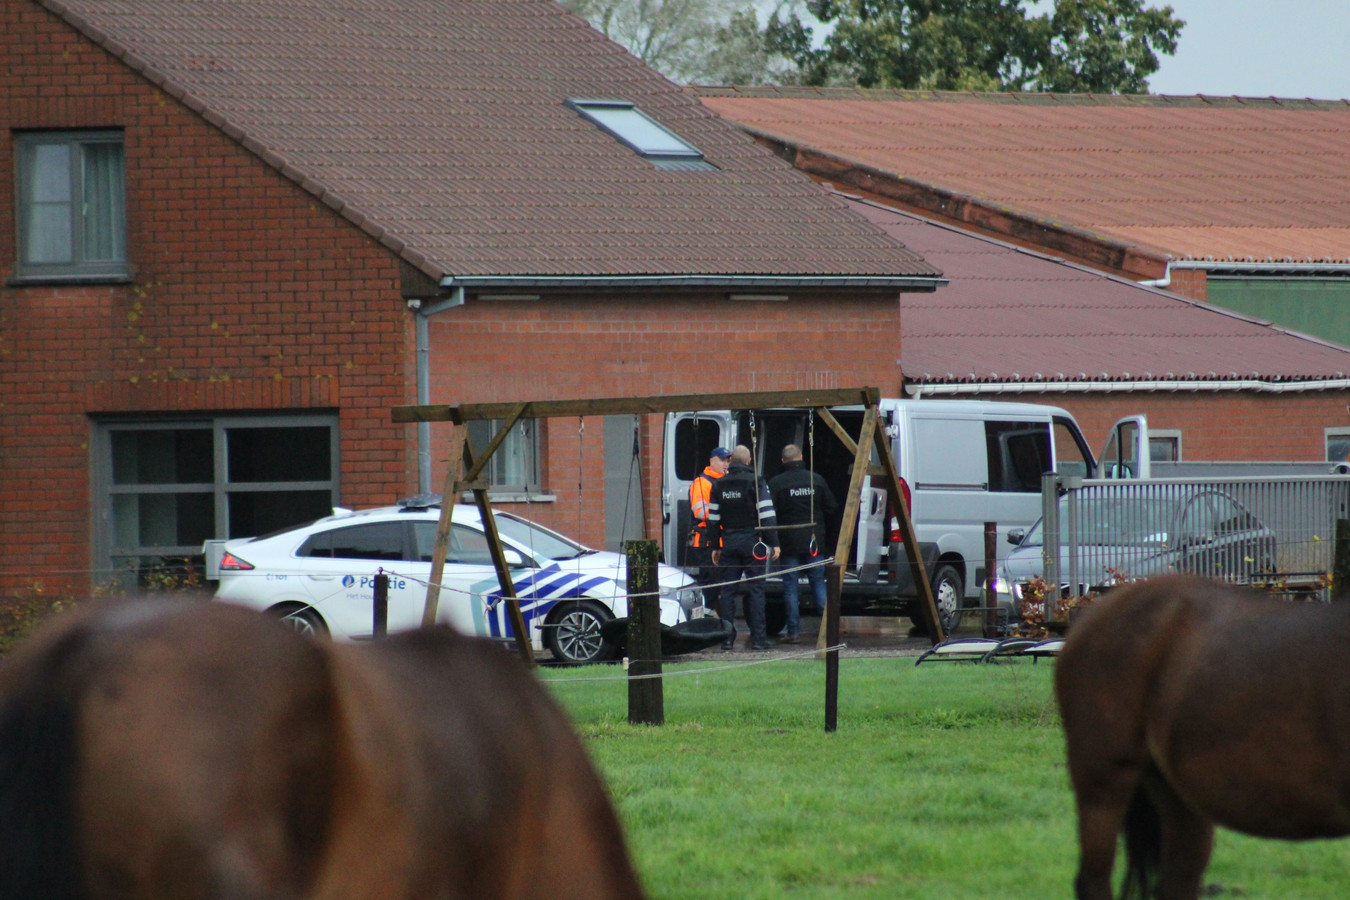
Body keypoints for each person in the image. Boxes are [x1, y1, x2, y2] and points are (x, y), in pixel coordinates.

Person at [709, 445, 779, 650]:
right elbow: (766, 515)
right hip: (752, 543)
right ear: (749, 461)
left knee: (728, 591)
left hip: (729, 543)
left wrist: (715, 546)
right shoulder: (756, 482)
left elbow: (713, 520)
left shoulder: (718, 485)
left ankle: (727, 639)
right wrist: (774, 543)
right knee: (757, 590)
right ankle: (758, 639)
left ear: (731, 461)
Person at [769, 443, 839, 642]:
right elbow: (832, 507)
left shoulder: (776, 483)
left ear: (783, 461)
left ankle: (793, 632)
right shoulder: (816, 480)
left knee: (790, 587)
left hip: (789, 542)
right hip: (814, 542)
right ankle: (829, 631)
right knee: (818, 582)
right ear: (801, 457)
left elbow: (769, 513)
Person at [688, 446, 732, 619]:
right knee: (709, 583)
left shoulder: (726, 481)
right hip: (705, 541)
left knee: (722, 584)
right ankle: (707, 619)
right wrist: (726, 513)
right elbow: (699, 511)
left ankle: (718, 619)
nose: (726, 464)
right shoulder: (701, 483)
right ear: (712, 461)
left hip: (722, 541)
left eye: (728, 460)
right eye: (722, 460)